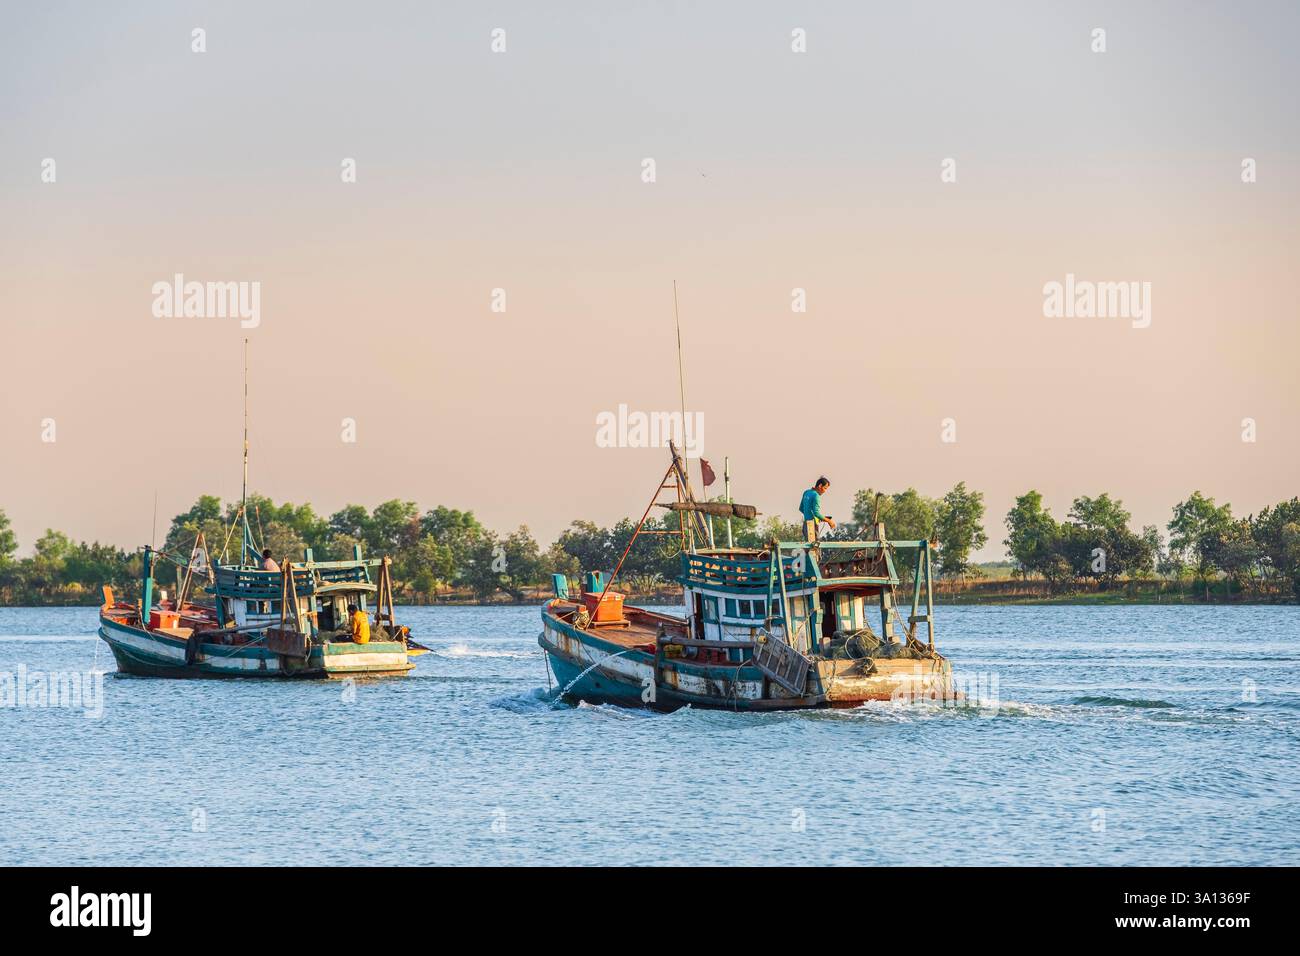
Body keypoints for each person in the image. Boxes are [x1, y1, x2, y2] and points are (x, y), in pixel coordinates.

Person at [799, 477, 836, 542]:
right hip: (812, 526)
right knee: (815, 547)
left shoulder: (806, 492)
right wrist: (829, 521)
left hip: (805, 525)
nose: (825, 491)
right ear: (820, 486)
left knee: (808, 547)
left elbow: (801, 508)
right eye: (825, 488)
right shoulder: (816, 496)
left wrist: (815, 517)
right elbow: (816, 513)